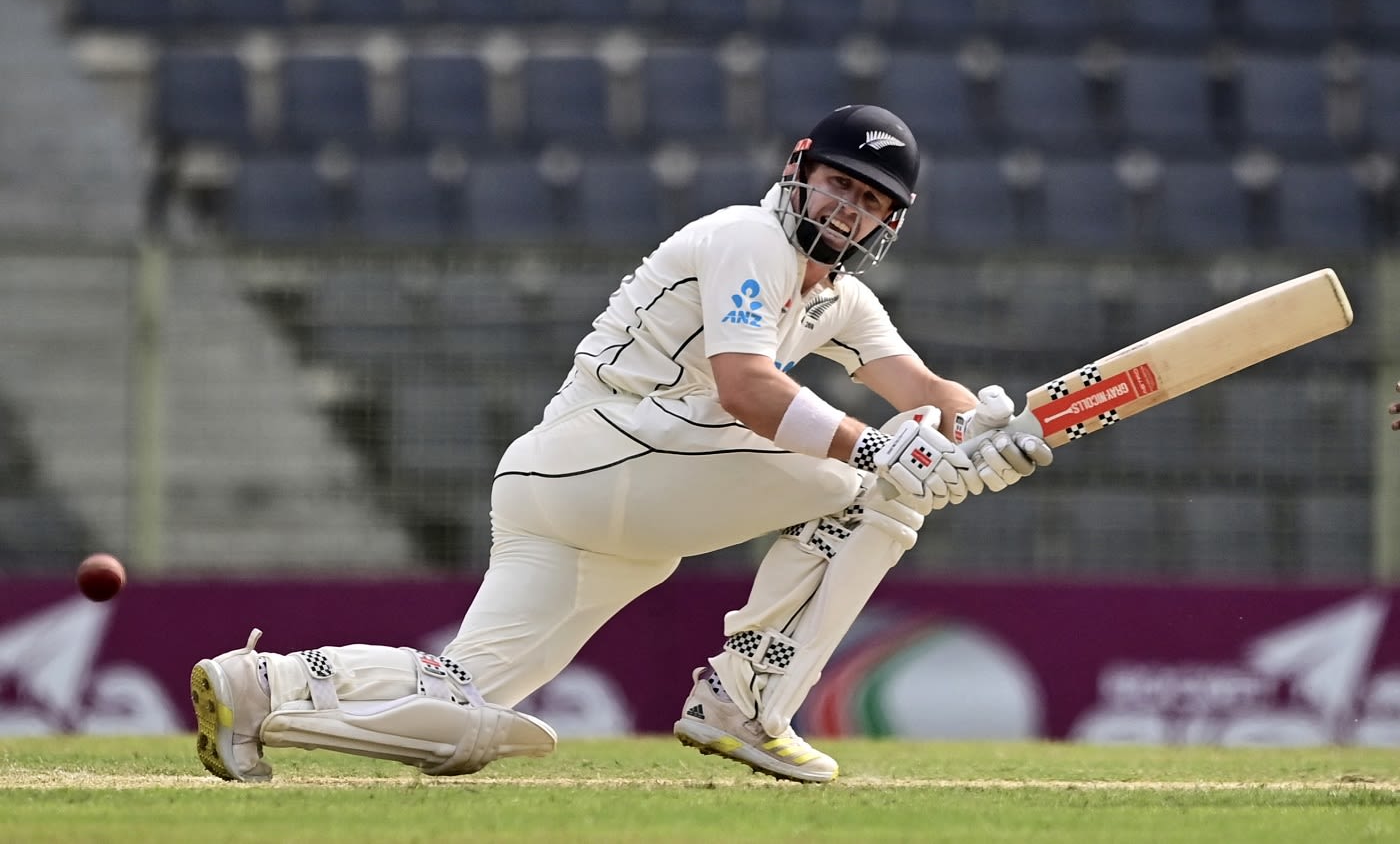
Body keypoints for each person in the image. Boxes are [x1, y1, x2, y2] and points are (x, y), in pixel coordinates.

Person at [190, 104, 1053, 785]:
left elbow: (922, 394)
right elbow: (747, 388)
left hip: (583, 499)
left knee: (461, 701)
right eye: (838, 182)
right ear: (798, 171)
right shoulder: (749, 238)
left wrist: (985, 431)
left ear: (886, 225)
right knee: (880, 487)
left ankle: (261, 687)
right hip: (605, 452)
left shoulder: (839, 303)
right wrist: (886, 453)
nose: (846, 207)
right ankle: (745, 703)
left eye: (869, 201)